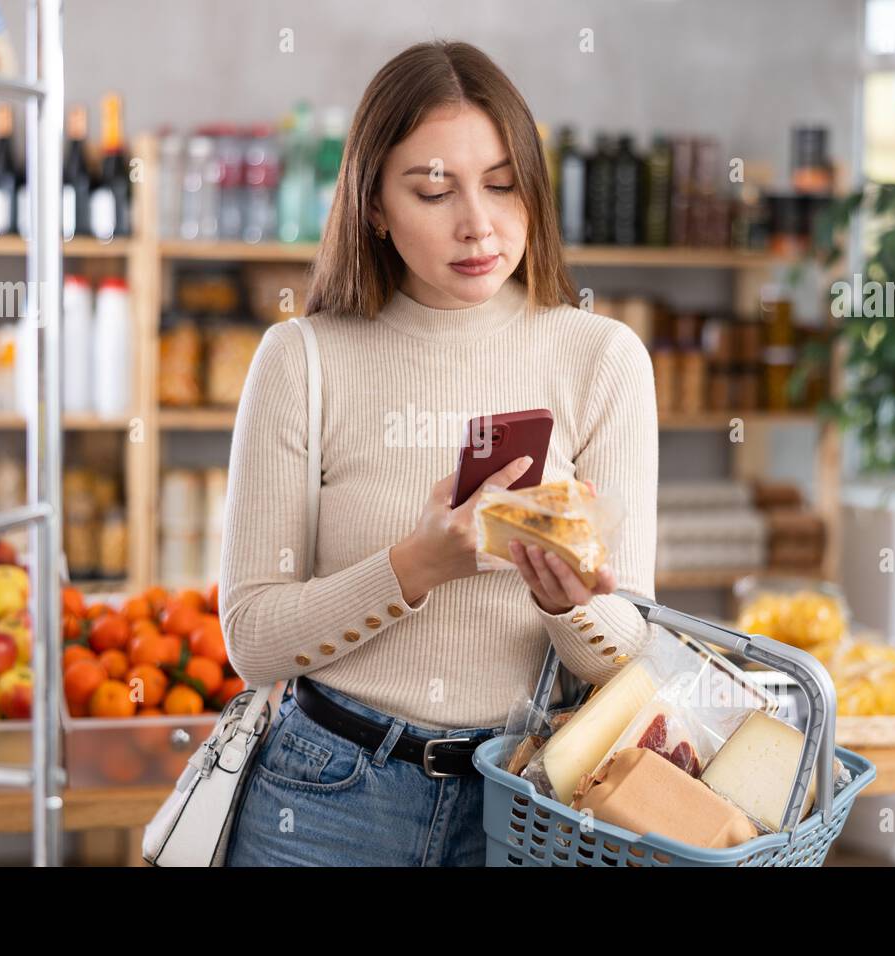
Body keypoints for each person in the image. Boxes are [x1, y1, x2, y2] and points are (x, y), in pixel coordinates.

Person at [220, 39, 658, 867]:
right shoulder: (302, 359)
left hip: (528, 797)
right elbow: (252, 638)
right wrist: (411, 568)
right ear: (375, 206)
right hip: (326, 798)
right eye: (433, 189)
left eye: (501, 184)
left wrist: (569, 606)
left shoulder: (602, 359)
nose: (478, 224)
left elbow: (627, 646)